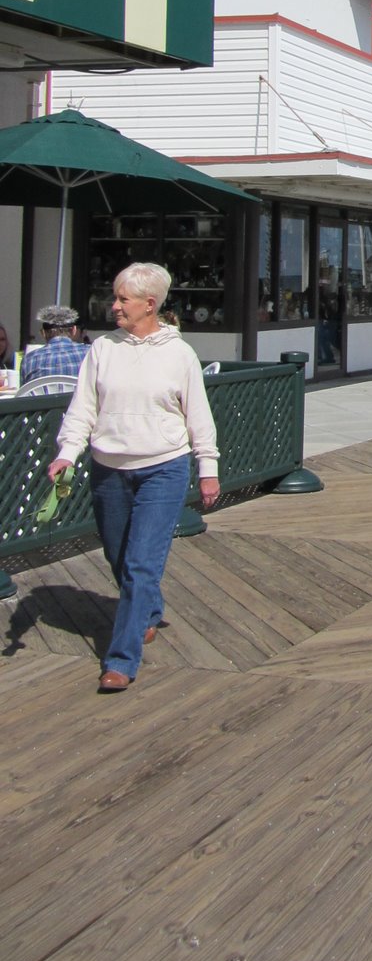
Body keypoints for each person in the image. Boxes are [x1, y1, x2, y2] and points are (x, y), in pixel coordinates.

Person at [46, 263, 220, 693]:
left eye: (123, 299)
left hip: (164, 467)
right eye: (116, 297)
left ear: (149, 304)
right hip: (108, 469)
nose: (115, 306)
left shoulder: (179, 354)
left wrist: (208, 469)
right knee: (119, 555)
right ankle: (148, 609)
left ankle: (121, 660)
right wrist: (67, 453)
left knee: (142, 563)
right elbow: (83, 408)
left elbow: (199, 416)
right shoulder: (102, 349)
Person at [20, 304, 89, 383]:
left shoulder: (29, 359)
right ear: (74, 330)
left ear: (43, 333)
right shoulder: (89, 353)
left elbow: (24, 390)